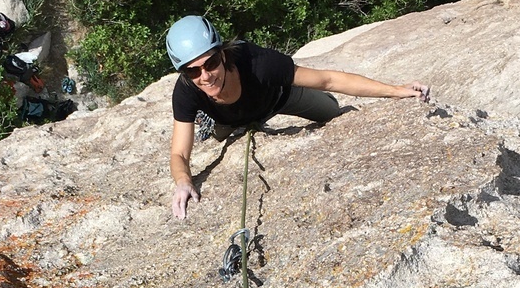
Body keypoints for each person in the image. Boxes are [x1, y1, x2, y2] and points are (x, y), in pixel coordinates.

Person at [166, 15, 430, 219]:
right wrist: (184, 182)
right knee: (219, 134)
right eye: (193, 71)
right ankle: (211, 122)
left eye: (211, 63)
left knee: (333, 112)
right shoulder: (187, 92)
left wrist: (396, 91)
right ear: (184, 73)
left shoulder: (260, 64)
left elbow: (327, 79)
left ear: (223, 54)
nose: (205, 75)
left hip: (279, 99)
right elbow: (179, 154)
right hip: (227, 120)